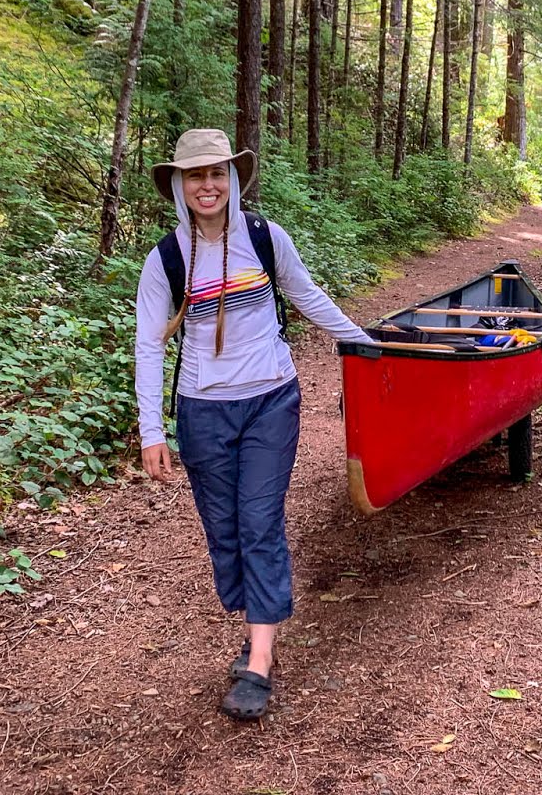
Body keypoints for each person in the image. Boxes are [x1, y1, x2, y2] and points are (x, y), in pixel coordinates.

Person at [135, 128, 373, 721]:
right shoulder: (166, 258)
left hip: (271, 401)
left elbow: (307, 296)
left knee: (260, 521)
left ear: (234, 178)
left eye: (218, 173)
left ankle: (259, 658)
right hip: (201, 411)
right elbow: (147, 346)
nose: (208, 185)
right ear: (180, 186)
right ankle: (256, 615)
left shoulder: (265, 239)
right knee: (225, 531)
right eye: (196, 176)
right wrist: (151, 430)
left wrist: (366, 345)